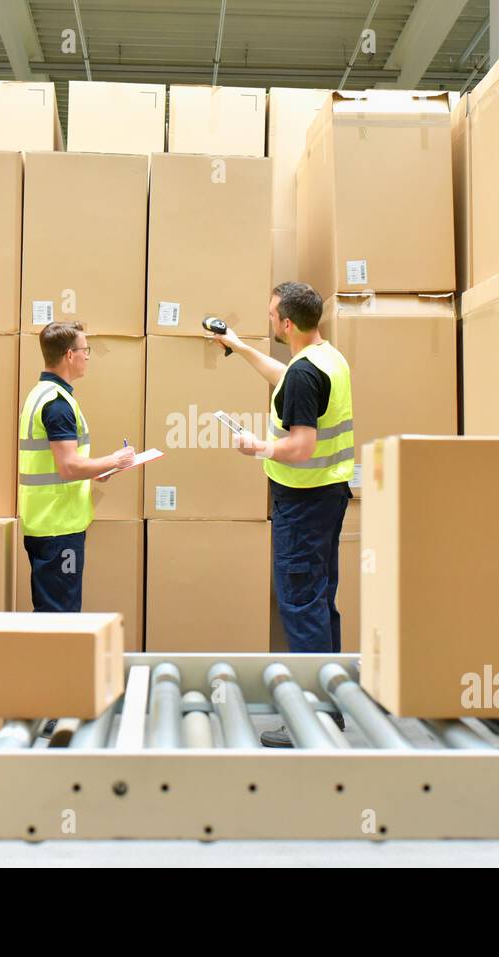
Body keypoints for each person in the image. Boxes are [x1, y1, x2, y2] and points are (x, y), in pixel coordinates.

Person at [208, 282, 354, 747]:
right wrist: (237, 344)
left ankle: (309, 721)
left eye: (272, 314)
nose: (270, 319)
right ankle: (329, 710)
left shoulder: (306, 375)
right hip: (327, 496)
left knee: (301, 604)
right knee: (320, 600)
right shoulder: (325, 357)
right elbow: (284, 376)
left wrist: (258, 447)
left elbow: (301, 445)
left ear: (287, 323)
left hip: (302, 502)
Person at [18, 321, 135, 614]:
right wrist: (115, 460)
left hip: (47, 522)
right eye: (86, 350)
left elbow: (64, 463)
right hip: (59, 526)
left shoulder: (42, 393)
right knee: (61, 614)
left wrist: (99, 469)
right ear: (70, 355)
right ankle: (56, 662)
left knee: (55, 611)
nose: (88, 356)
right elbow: (68, 467)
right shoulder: (57, 404)